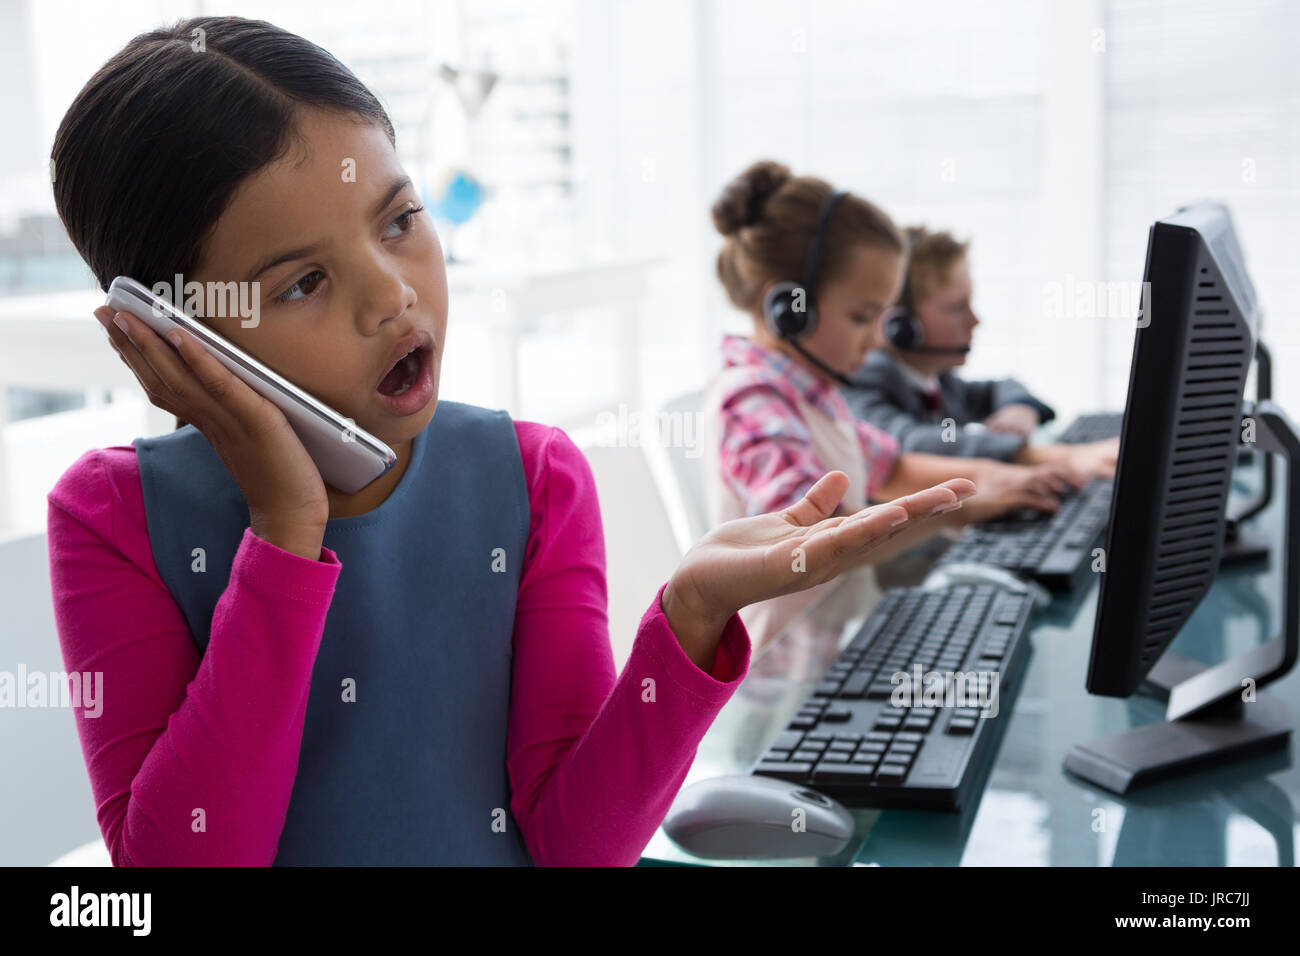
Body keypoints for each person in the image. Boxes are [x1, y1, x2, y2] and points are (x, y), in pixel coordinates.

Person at [44, 17, 972, 867]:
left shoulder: (530, 480)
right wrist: (286, 530)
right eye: (303, 283)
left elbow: (575, 845)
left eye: (400, 221)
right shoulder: (113, 517)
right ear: (171, 334)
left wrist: (688, 617)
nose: (391, 295)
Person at [700, 160, 1081, 646]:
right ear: (788, 309)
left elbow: (894, 466)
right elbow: (808, 543)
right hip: (781, 677)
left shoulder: (814, 395)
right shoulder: (750, 398)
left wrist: (998, 481)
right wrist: (957, 510)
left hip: (838, 645)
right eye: (861, 316)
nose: (879, 336)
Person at [843, 225, 1118, 476]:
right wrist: (1050, 456)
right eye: (957, 307)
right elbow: (910, 442)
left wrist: (1020, 408)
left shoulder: (936, 380)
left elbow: (1000, 386)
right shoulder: (865, 378)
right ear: (900, 327)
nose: (975, 321)